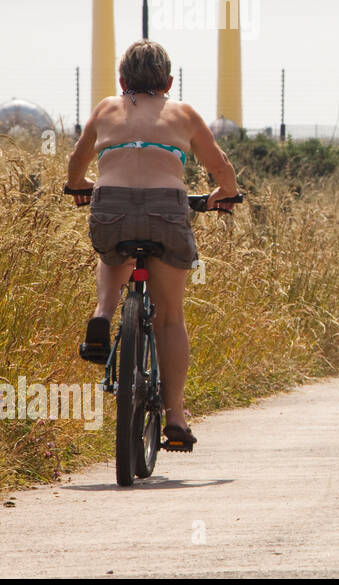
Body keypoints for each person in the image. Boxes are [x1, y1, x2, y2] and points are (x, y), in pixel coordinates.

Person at [65, 40, 240, 452]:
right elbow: (221, 167)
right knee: (170, 318)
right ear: (170, 81)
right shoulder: (183, 113)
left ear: (122, 80)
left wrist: (78, 186)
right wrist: (224, 193)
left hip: (112, 203)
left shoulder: (106, 109)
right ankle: (176, 417)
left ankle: (103, 314)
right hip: (167, 209)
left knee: (113, 252)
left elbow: (76, 161)